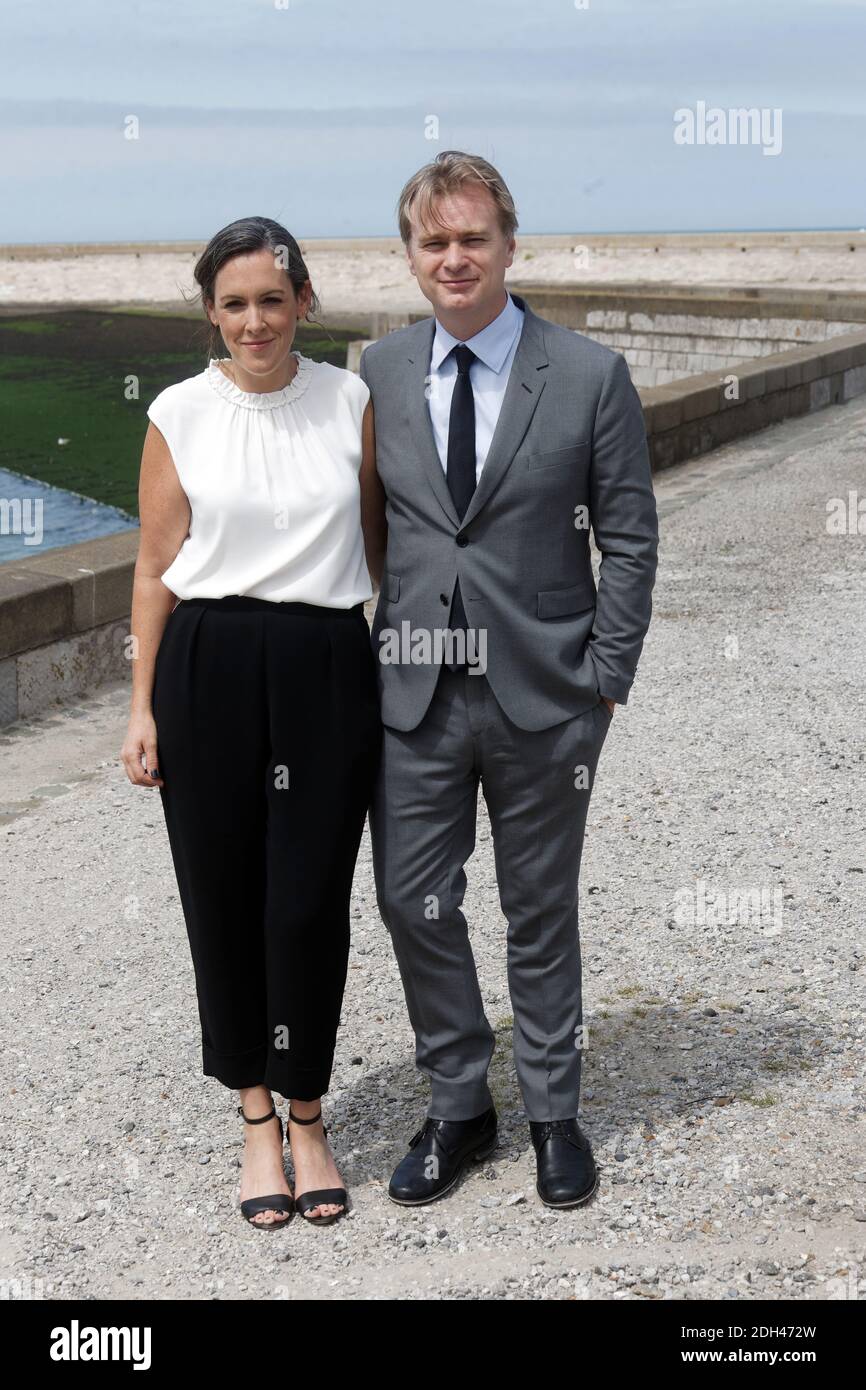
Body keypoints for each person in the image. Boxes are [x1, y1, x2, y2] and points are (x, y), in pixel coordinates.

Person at [360, 152, 658, 1209]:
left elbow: (626, 537)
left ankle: (550, 1113)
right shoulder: (376, 370)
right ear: (409, 256)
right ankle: (457, 1103)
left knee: (537, 907)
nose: (453, 258)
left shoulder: (585, 374)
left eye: (471, 238)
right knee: (411, 899)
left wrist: (605, 677)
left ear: (507, 245)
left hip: (546, 695)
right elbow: (365, 529)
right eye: (433, 241)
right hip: (413, 689)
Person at [120, 216, 385, 1230]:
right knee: (221, 896)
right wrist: (140, 707)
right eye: (233, 303)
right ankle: (252, 1117)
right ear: (210, 313)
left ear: (303, 303)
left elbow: (378, 545)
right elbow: (152, 567)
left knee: (308, 900)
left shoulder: (351, 399)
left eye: (272, 299)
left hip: (324, 663)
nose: (254, 319)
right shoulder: (178, 412)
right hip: (207, 668)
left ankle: (308, 1112)